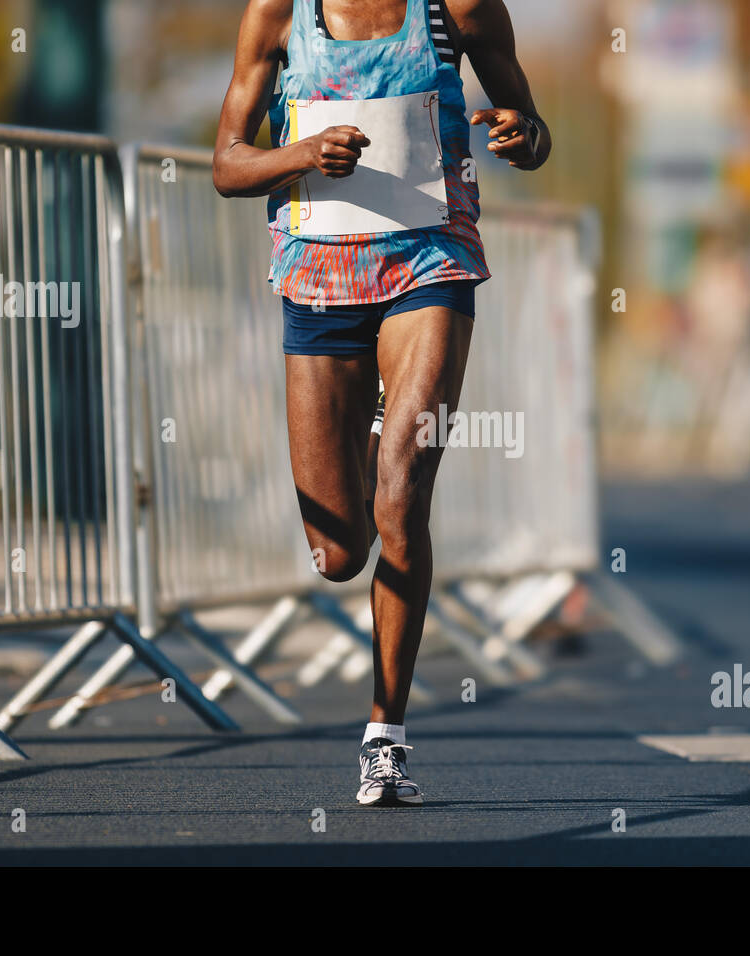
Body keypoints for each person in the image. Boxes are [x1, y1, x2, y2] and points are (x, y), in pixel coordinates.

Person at [213, 0, 550, 806]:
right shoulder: (277, 14)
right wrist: (301, 154)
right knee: (337, 552)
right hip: (318, 284)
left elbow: (532, 133)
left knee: (403, 492)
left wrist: (521, 134)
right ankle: (373, 427)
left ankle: (385, 738)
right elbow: (227, 163)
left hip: (429, 265)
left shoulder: (457, 7)